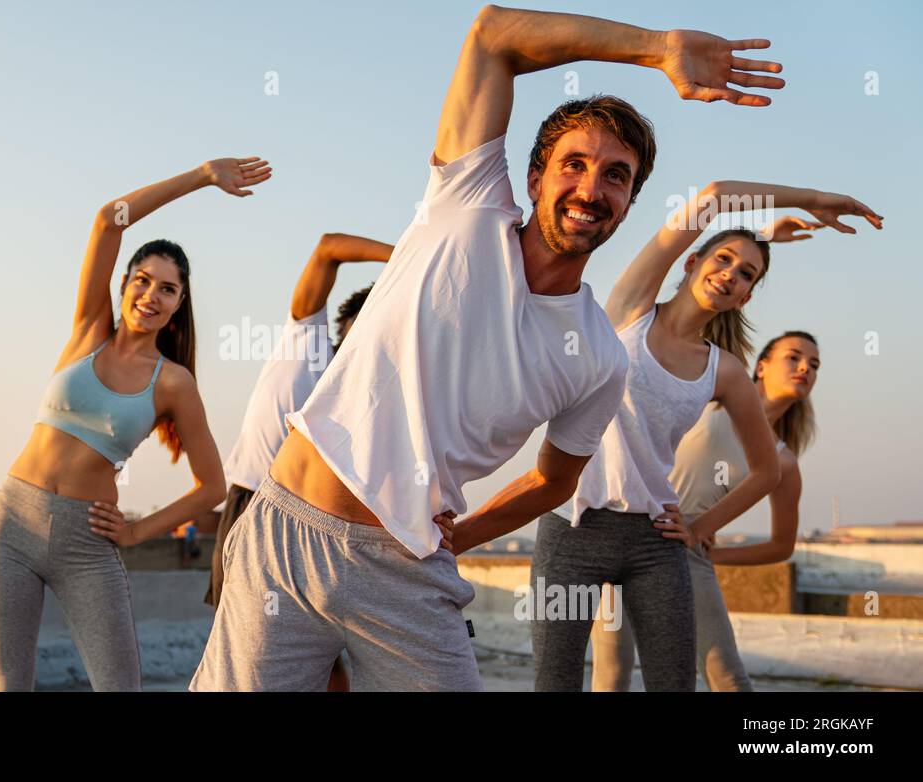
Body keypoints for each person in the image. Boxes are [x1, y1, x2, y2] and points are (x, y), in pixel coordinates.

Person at [191, 3, 785, 692]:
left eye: (616, 176)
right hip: (288, 541)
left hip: (408, 572)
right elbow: (493, 32)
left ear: (628, 204)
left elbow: (557, 481)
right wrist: (658, 50)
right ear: (535, 179)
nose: (592, 188)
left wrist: (465, 535)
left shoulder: (598, 357)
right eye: (576, 164)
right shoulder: (464, 208)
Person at [531, 189, 880, 692]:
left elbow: (767, 471)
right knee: (556, 681)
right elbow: (712, 198)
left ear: (746, 297)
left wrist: (698, 528)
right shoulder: (632, 309)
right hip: (573, 526)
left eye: (746, 275)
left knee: (676, 683)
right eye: (723, 260)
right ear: (692, 260)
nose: (732, 274)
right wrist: (813, 202)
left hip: (657, 540)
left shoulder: (727, 372)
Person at [0, 156, 271, 692]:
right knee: (6, 684)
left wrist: (137, 531)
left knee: (119, 686)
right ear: (124, 285)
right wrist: (202, 176)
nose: (150, 296)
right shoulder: (90, 329)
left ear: (180, 305)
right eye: (143, 280)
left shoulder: (173, 382)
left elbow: (212, 487)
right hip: (12, 524)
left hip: (86, 541)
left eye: (166, 289)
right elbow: (107, 220)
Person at [590, 309, 827, 691]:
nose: (806, 369)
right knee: (612, 671)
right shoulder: (712, 395)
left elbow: (781, 546)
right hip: (627, 528)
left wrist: (708, 546)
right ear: (762, 366)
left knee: (726, 676)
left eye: (814, 365)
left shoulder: (782, 461)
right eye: (794, 358)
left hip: (685, 553)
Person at [210, 232, 392, 692]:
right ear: (346, 324)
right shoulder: (306, 346)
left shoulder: (374, 396)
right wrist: (411, 255)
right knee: (243, 653)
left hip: (316, 526)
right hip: (253, 501)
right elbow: (329, 247)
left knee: (322, 652)